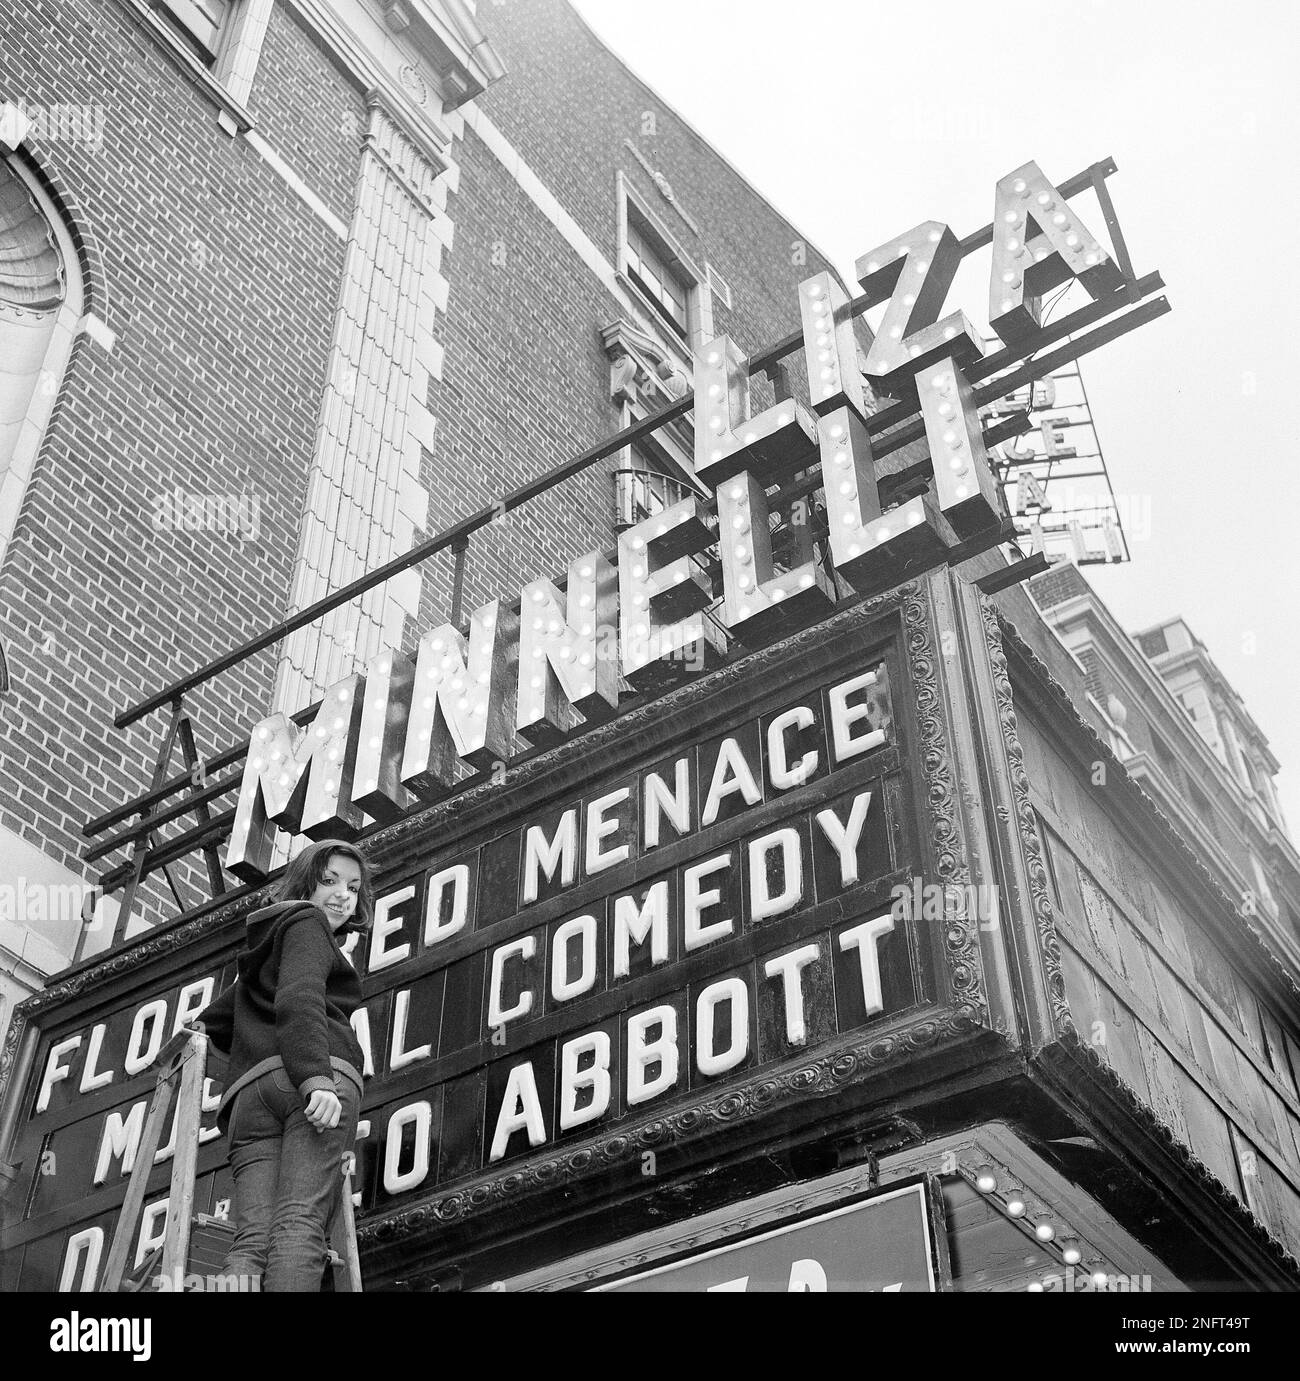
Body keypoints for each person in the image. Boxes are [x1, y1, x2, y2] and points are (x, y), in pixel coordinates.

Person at [196, 839, 372, 1291]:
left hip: (250, 1100)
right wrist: (315, 1078)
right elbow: (300, 997)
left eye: (352, 887)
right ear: (304, 883)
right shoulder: (308, 924)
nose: (342, 895)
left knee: (252, 1238)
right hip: (311, 1082)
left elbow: (211, 1024)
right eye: (329, 880)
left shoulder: (265, 948)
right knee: (299, 1222)